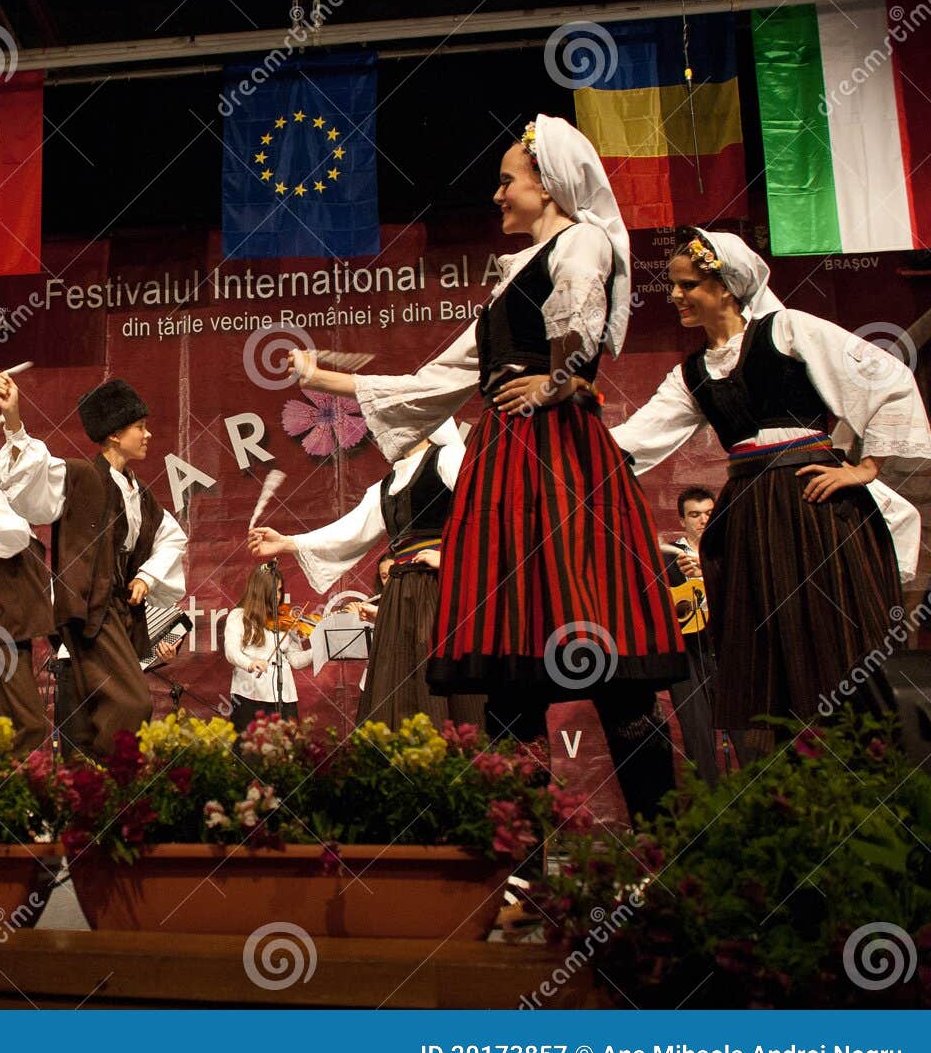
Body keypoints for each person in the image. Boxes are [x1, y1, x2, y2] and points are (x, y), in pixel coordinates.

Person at [290, 115, 685, 822]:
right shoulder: (507, 291)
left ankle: (667, 845)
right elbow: (431, 381)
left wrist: (558, 380)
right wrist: (323, 376)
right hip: (507, 471)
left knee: (604, 648)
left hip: (560, 460)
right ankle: (517, 859)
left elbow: (582, 321)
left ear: (549, 184)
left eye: (508, 180)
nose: (498, 195)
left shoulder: (581, 241)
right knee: (513, 666)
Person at [610, 228, 929, 749]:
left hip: (812, 505)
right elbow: (636, 439)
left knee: (836, 646)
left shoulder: (788, 330)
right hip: (751, 513)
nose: (674, 296)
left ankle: (878, 779)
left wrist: (865, 467)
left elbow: (885, 377)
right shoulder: (693, 372)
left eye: (687, 285)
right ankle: (792, 789)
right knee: (770, 656)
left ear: (727, 288)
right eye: (673, 285)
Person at [0, 373, 187, 758]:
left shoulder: (141, 495)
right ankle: (109, 775)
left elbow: (172, 538)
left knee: (84, 714)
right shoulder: (82, 477)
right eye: (139, 427)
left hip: (118, 612)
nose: (148, 435)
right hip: (88, 608)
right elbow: (35, 477)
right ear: (114, 435)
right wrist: (13, 418)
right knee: (134, 703)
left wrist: (146, 577)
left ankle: (86, 790)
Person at [251, 417, 486, 726]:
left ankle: (459, 757)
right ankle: (404, 764)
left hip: (441, 589)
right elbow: (350, 531)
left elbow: (486, 513)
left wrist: (455, 559)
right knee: (400, 680)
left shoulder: (449, 459)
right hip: (401, 596)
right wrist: (289, 542)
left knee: (440, 677)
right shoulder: (386, 486)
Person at [0, 481, 54, 755]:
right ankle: (9, 789)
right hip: (2, 639)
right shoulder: (7, 532)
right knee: (29, 725)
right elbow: (7, 529)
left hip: (6, 640)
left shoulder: (26, 535)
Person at [661, 486, 723, 782]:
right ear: (682, 520)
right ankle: (709, 808)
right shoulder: (667, 559)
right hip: (687, 657)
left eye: (709, 513)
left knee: (751, 735)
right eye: (694, 514)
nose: (702, 520)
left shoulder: (731, 554)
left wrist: (708, 574)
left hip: (728, 650)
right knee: (697, 735)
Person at [222, 562, 314, 723]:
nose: (278, 596)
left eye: (279, 590)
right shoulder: (238, 616)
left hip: (284, 697)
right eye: (273, 590)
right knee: (249, 747)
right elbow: (231, 651)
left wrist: (321, 649)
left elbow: (296, 660)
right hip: (249, 695)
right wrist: (250, 663)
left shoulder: (285, 619)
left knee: (288, 746)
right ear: (259, 590)